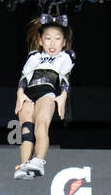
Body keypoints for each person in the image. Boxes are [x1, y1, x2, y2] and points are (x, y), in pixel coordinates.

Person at [13, 14, 74, 180]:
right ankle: (25, 165)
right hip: (28, 94)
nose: (52, 43)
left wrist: (63, 96)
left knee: (41, 125)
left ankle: (39, 160)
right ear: (40, 40)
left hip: (46, 93)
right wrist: (20, 93)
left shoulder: (65, 57)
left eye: (57, 39)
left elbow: (64, 77)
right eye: (48, 39)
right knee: (26, 130)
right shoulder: (34, 56)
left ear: (63, 42)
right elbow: (25, 75)